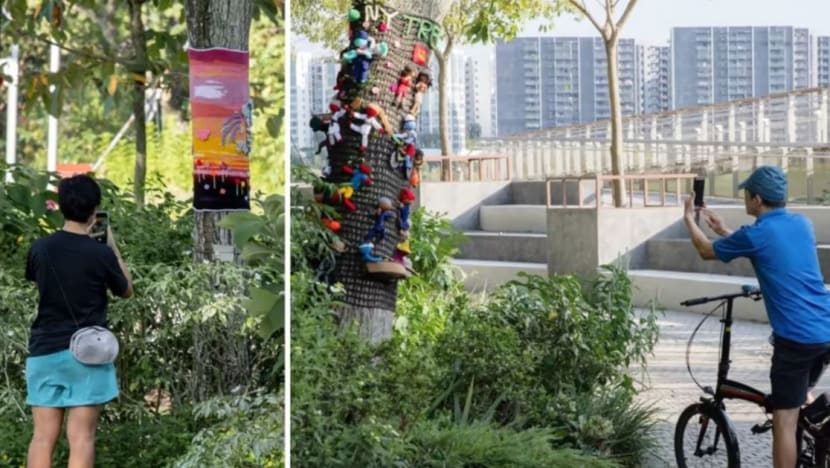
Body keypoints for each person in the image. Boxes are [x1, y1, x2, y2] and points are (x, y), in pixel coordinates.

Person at [683, 165, 830, 468]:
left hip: (797, 338)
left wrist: (688, 218)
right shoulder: (801, 224)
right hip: (825, 327)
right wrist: (725, 231)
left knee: (784, 420)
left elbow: (705, 250)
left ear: (758, 199)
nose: (745, 200)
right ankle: (818, 435)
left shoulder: (757, 233)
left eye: (747, 195)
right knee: (801, 394)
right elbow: (770, 246)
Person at [24, 174, 133, 468]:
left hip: (44, 350)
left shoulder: (40, 248)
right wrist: (111, 246)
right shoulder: (100, 254)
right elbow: (127, 291)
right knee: (82, 437)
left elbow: (40, 284)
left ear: (61, 207)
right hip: (87, 354)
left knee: (42, 437)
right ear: (94, 210)